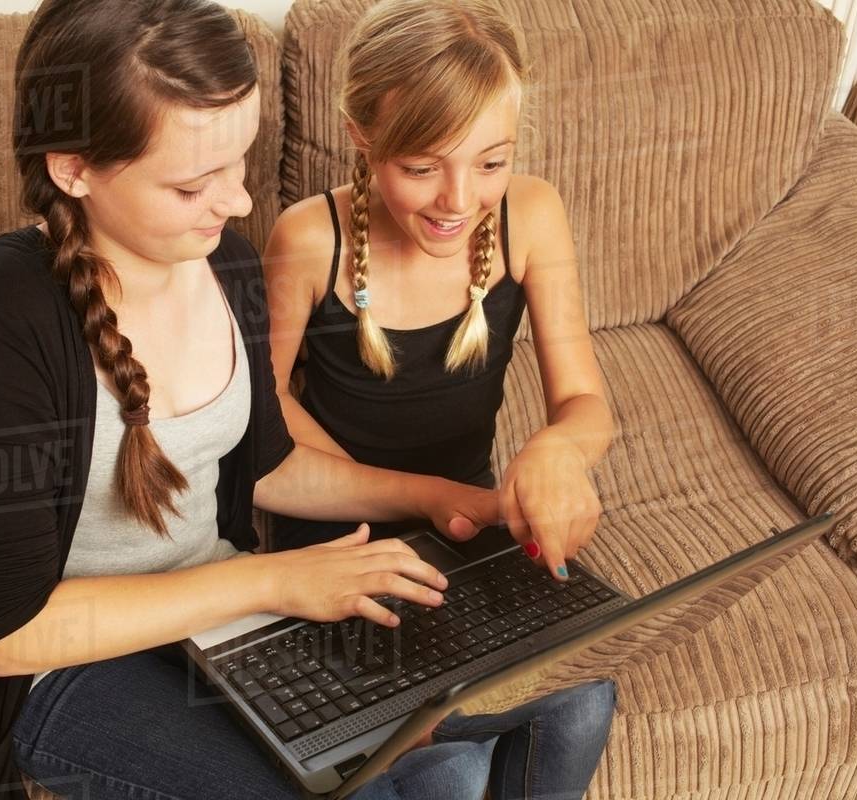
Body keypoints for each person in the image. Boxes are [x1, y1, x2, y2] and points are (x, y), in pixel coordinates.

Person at [0, 1, 603, 799]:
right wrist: (277, 581)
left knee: (567, 704)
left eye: (238, 165)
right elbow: (9, 635)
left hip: (221, 625)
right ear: (73, 169)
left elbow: (270, 463)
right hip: (69, 670)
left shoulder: (229, 264)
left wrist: (452, 502)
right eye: (192, 183)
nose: (239, 202)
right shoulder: (2, 310)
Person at [261, 0, 619, 796]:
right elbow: (257, 411)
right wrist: (433, 499)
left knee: (587, 699)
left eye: (490, 162)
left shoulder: (531, 215)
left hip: (466, 526)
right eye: (421, 167)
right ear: (362, 136)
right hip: (340, 531)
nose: (458, 200)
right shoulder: (310, 239)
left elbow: (587, 403)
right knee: (447, 770)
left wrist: (557, 450)